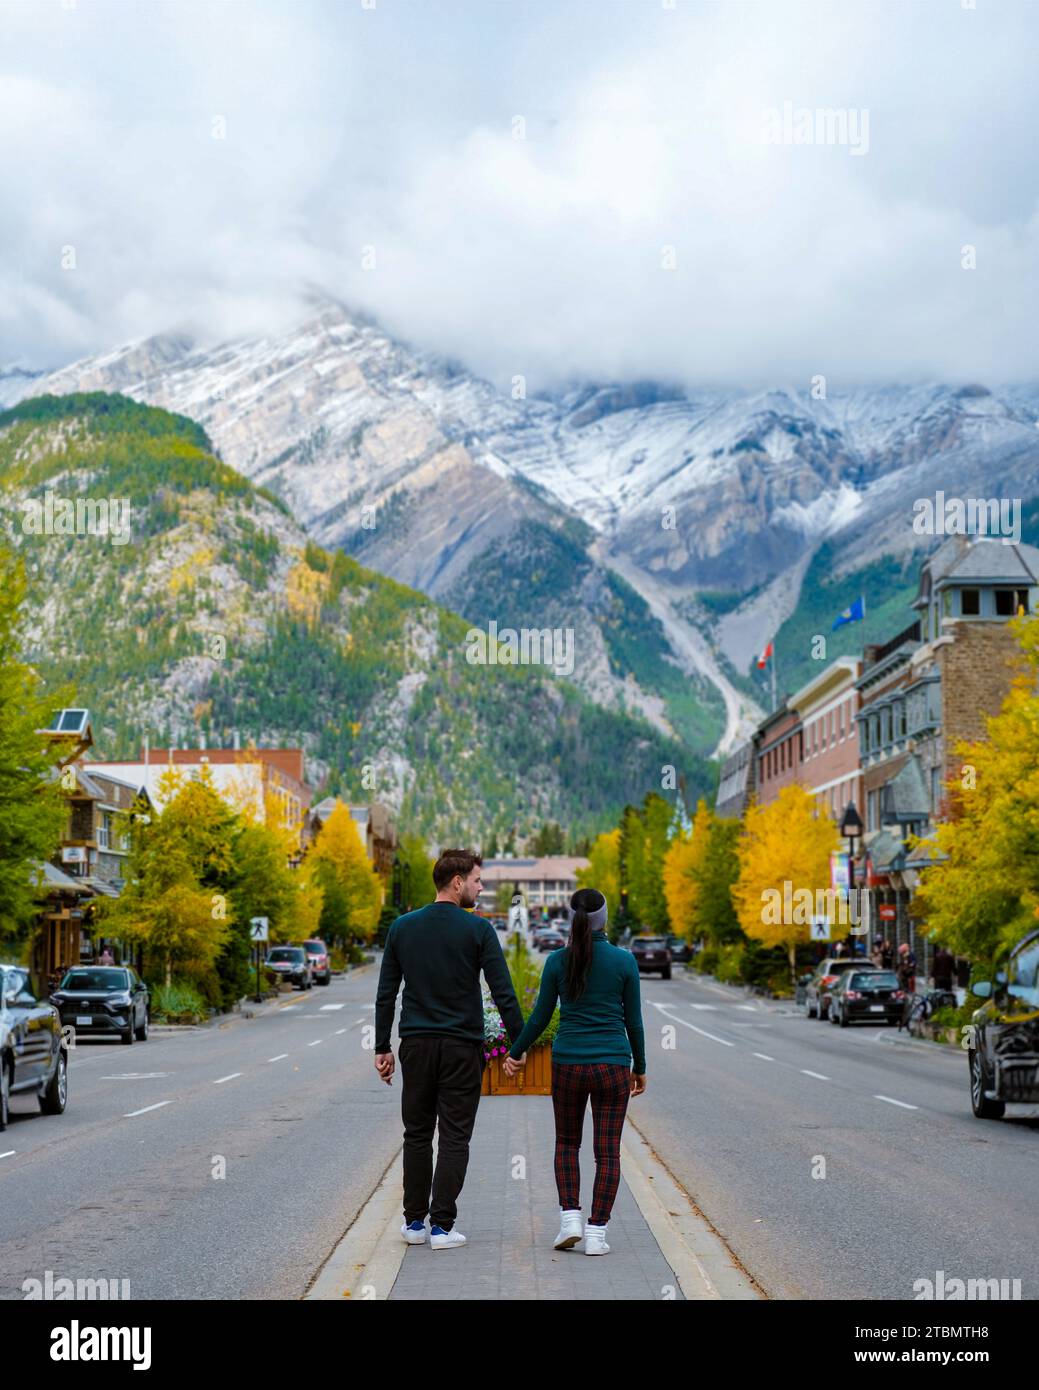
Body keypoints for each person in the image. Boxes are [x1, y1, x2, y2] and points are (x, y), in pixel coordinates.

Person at [374, 849, 525, 1250]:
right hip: (461, 1047)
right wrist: (519, 1044)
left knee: (417, 1133)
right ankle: (442, 1227)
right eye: (477, 880)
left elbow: (386, 993)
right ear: (457, 882)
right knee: (455, 1136)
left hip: (417, 1045)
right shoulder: (478, 931)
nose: (481, 887)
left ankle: (413, 1224)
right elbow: (503, 992)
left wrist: (381, 1046)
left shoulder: (402, 928)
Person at [503, 887, 646, 1257]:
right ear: (604, 918)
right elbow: (635, 1021)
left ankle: (570, 1220)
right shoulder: (624, 961)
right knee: (608, 1152)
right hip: (614, 1065)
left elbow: (539, 1017)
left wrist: (515, 1053)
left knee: (567, 1143)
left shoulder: (556, 962)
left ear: (570, 919)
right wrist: (640, 1067)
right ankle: (597, 1233)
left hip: (567, 1063)